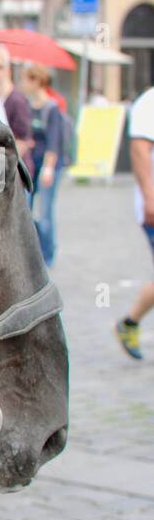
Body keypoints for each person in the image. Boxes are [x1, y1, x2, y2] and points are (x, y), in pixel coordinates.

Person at [116, 84, 154, 360]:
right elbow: (140, 149)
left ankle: (129, 322)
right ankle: (128, 323)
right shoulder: (149, 102)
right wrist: (150, 198)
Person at [21, 64, 65, 266]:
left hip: (48, 165)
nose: (23, 84)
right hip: (31, 163)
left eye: (26, 80)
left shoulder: (52, 108)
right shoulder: (28, 107)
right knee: (26, 210)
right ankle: (32, 254)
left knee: (45, 212)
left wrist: (48, 169)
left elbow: (54, 141)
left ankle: (48, 255)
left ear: (36, 82)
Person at [0, 43, 34, 176]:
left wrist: (1, 166)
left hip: (12, 175)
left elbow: (23, 140)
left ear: (8, 71)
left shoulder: (16, 100)